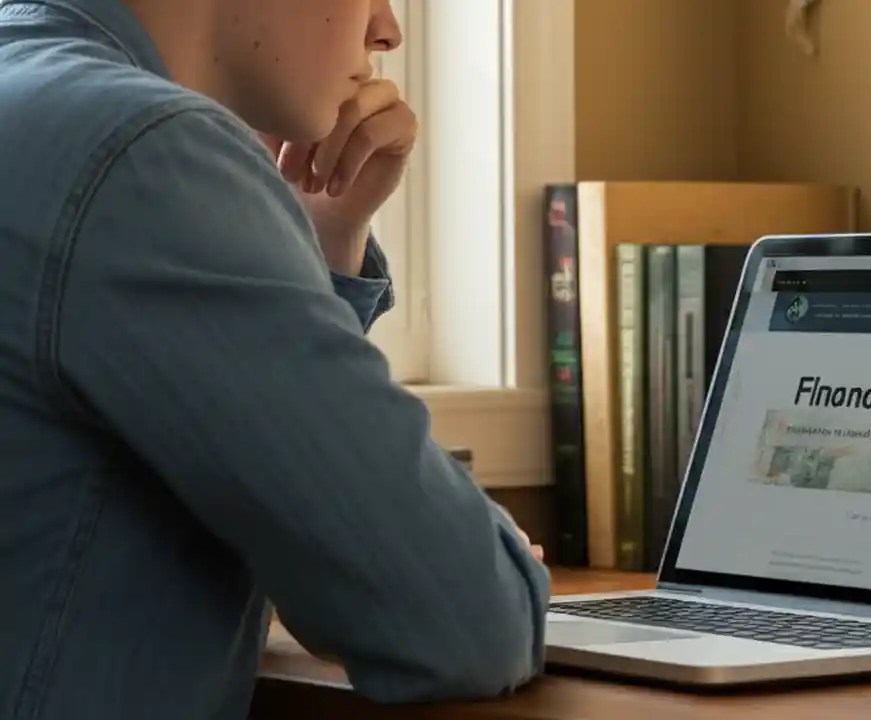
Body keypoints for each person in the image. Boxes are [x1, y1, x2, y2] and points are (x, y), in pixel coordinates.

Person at [0, 0, 550, 718]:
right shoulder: (141, 152)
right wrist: (498, 553)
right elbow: (462, 621)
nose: (388, 28)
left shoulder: (36, 99)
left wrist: (306, 245)